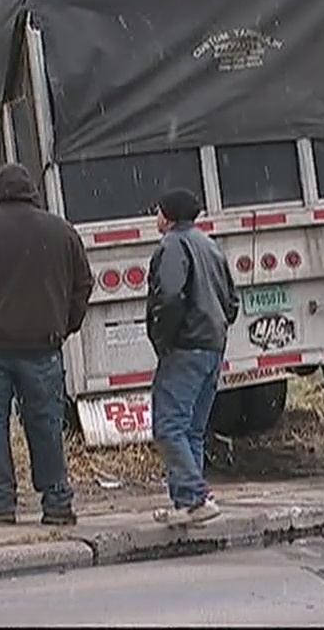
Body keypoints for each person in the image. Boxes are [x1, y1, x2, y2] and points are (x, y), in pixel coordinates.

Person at [0, 163, 91, 527]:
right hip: (43, 348)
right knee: (46, 426)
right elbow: (82, 285)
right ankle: (56, 502)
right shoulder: (62, 232)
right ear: (32, 192)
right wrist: (64, 324)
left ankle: (2, 504)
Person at [147, 188, 239, 527]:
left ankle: (195, 496)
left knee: (169, 425)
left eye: (157, 211)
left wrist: (165, 338)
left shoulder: (173, 245)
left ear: (168, 216)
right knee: (193, 430)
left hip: (185, 347)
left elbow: (169, 296)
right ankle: (186, 504)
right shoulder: (210, 245)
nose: (155, 217)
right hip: (213, 346)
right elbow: (232, 301)